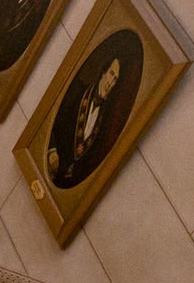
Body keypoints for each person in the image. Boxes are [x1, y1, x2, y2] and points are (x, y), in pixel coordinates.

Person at [45, 31, 142, 188]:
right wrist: (51, 151)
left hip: (65, 183)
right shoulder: (77, 92)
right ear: (103, 73)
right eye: (111, 73)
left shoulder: (104, 120)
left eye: (115, 79)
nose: (111, 81)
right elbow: (52, 121)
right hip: (49, 165)